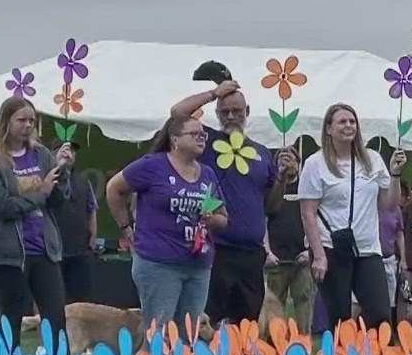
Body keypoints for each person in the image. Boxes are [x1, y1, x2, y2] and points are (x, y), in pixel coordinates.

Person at [170, 78, 294, 329]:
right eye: (224, 111)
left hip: (251, 253)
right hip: (216, 250)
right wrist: (214, 92)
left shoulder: (262, 153)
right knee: (208, 323)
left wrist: (281, 179)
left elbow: (271, 207)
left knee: (247, 326)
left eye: (237, 111)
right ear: (216, 113)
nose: (231, 116)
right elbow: (177, 113)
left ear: (247, 113)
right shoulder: (206, 143)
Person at [107, 116, 228, 336]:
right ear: (175, 139)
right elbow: (113, 189)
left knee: (189, 332)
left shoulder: (207, 174)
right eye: (194, 134)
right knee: (159, 330)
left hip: (198, 265)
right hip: (159, 262)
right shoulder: (153, 165)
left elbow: (223, 217)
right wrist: (126, 228)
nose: (201, 139)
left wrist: (211, 219)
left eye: (204, 135)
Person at [298, 104, 403, 331]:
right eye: (342, 122)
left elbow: (389, 204)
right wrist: (318, 256)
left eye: (352, 121)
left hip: (368, 249)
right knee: (339, 319)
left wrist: (395, 174)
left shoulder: (372, 159)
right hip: (332, 247)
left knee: (380, 316)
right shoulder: (315, 164)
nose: (348, 126)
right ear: (328, 128)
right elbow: (308, 212)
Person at [0, 97, 75, 340]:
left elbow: (56, 202)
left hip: (44, 249)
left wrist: (62, 170)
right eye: (21, 120)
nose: (27, 125)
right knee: (11, 319)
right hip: (9, 253)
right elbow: (2, 206)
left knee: (56, 319)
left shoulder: (41, 154)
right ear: (6, 122)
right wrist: (40, 193)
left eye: (32, 121)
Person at [263, 159, 315, 325]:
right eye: (283, 160)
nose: (288, 164)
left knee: (304, 302)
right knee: (273, 305)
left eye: (291, 159)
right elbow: (262, 221)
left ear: (298, 163)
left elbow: (316, 219)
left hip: (302, 260)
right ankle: (274, 345)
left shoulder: (307, 188)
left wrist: (311, 251)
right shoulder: (272, 191)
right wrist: (267, 251)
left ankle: (303, 341)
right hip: (276, 261)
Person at [48, 165, 99, 307]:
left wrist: (92, 241)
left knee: (82, 299)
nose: (69, 154)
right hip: (54, 249)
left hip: (80, 249)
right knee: (52, 298)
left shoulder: (84, 182)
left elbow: (92, 211)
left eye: (73, 150)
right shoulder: (47, 180)